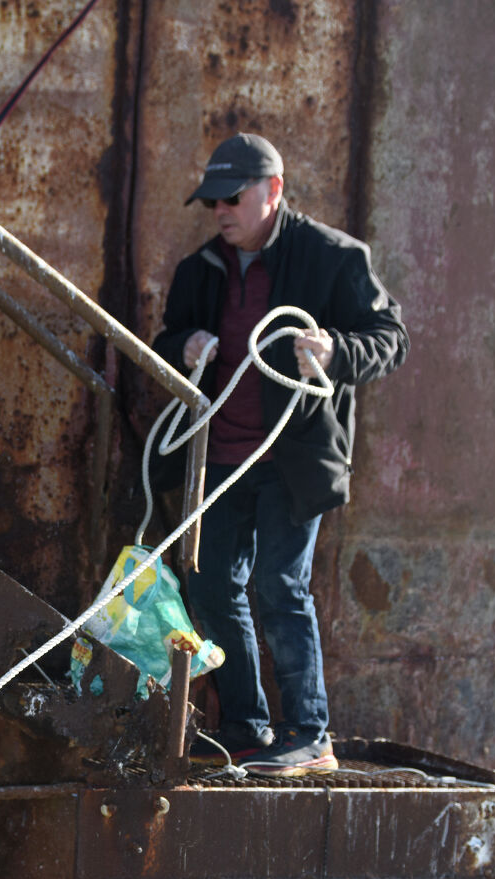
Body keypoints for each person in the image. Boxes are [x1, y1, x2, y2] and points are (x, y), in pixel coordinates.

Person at [151, 133, 407, 775]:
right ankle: (245, 728)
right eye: (213, 202)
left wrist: (332, 353)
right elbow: (166, 339)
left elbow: (390, 339)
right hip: (220, 459)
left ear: (274, 191)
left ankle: (309, 734)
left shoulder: (331, 259)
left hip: (290, 458)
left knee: (279, 585)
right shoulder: (200, 271)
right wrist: (184, 346)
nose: (221, 213)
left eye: (233, 199)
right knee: (210, 589)